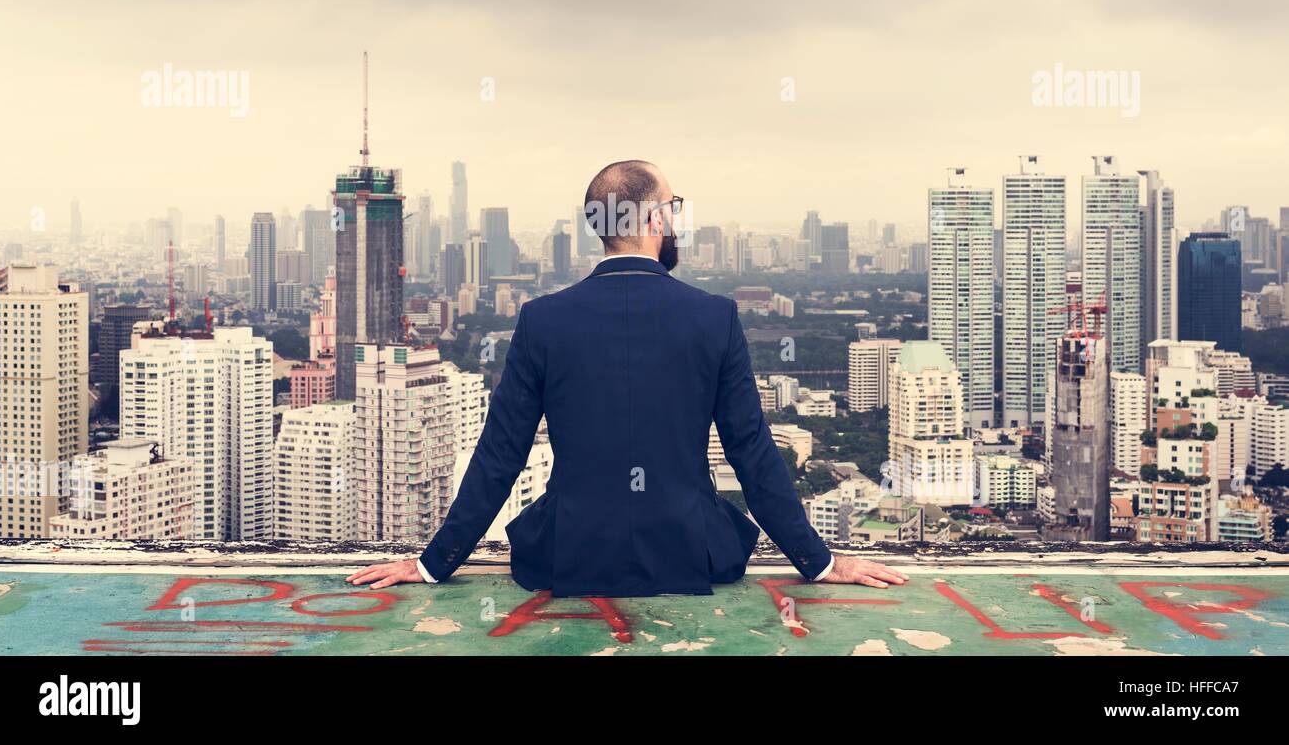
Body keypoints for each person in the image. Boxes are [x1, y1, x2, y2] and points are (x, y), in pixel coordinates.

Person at [349, 160, 906, 596]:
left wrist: (432, 564)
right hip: (692, 554)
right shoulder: (714, 317)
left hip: (568, 557)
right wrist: (819, 562)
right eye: (675, 206)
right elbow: (752, 451)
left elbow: (501, 453)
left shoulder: (543, 319)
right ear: (657, 220)